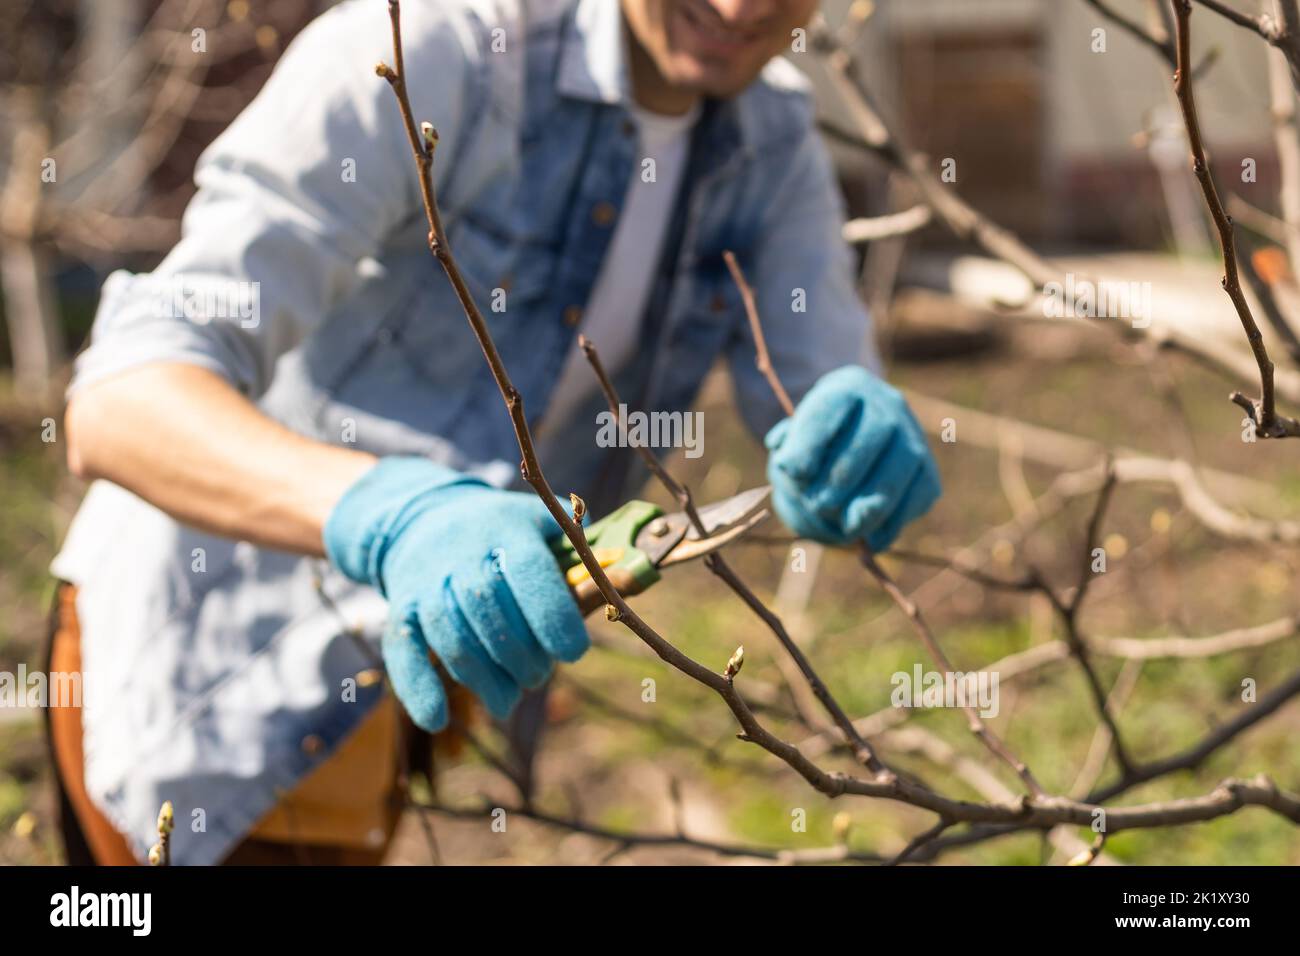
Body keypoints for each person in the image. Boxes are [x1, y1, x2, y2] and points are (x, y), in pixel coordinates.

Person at [49, 0, 940, 865]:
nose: (741, 5)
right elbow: (123, 396)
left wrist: (848, 440)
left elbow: (818, 385)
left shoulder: (768, 138)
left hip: (398, 692)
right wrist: (393, 513)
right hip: (210, 673)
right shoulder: (430, 53)